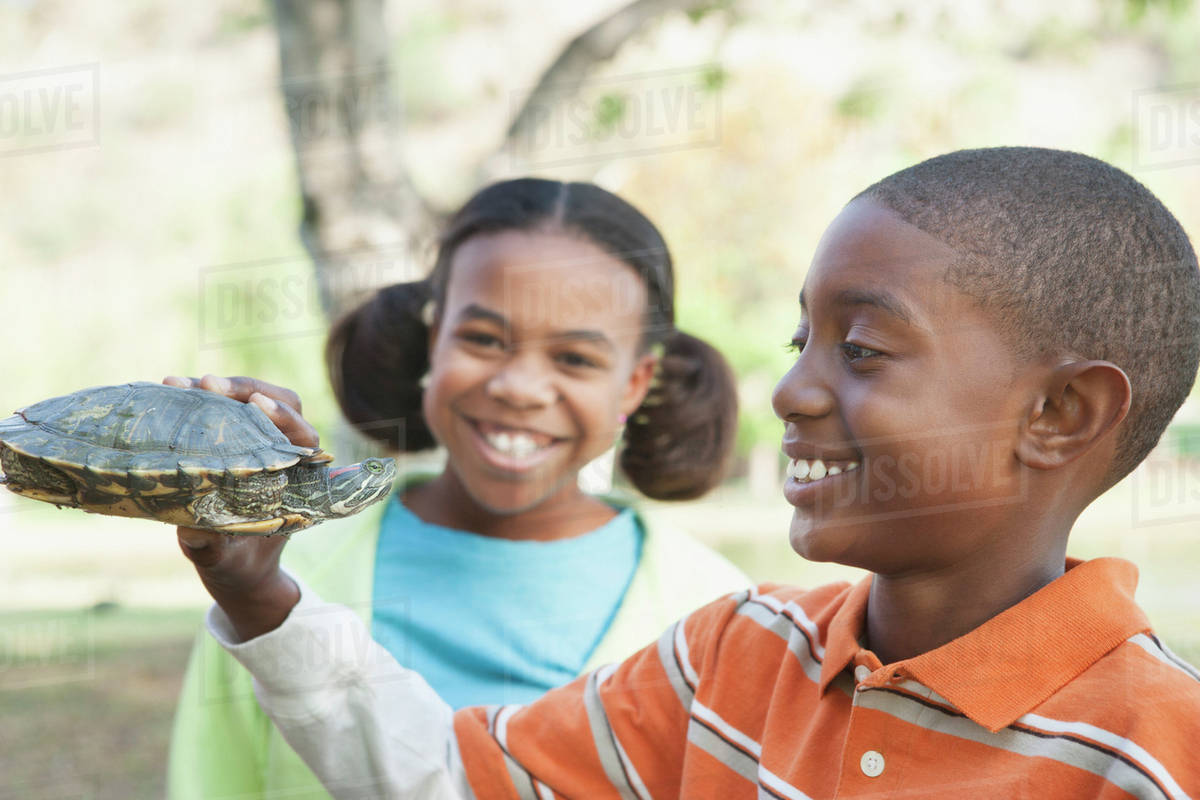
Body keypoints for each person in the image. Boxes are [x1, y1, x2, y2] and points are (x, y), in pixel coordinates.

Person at [184, 148, 1200, 798]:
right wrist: (262, 589)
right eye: (802, 338)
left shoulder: (1153, 749)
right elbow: (454, 777)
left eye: (862, 349)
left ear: (1060, 414)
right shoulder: (736, 654)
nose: (792, 390)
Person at [165, 179, 751, 799]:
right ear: (433, 339)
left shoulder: (716, 613)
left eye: (576, 358)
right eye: (484, 340)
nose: (520, 387)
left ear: (634, 384)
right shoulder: (281, 573)